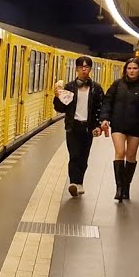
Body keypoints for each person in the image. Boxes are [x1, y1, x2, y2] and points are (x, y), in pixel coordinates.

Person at [98, 58, 139, 202]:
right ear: (126, 70)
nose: (131, 71)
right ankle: (119, 188)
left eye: (135, 68)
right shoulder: (118, 85)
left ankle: (126, 187)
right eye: (129, 68)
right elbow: (107, 101)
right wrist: (104, 118)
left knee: (131, 156)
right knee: (120, 152)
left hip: (135, 125)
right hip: (117, 124)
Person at [52, 56, 105, 197]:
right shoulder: (70, 87)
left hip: (88, 127)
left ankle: (80, 182)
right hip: (73, 126)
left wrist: (99, 125)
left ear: (90, 69)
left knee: (83, 156)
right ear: (76, 69)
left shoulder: (96, 89)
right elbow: (61, 109)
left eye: (86, 67)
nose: (84, 70)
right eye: (81, 67)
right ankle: (74, 183)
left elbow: (100, 109)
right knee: (74, 155)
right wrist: (57, 96)